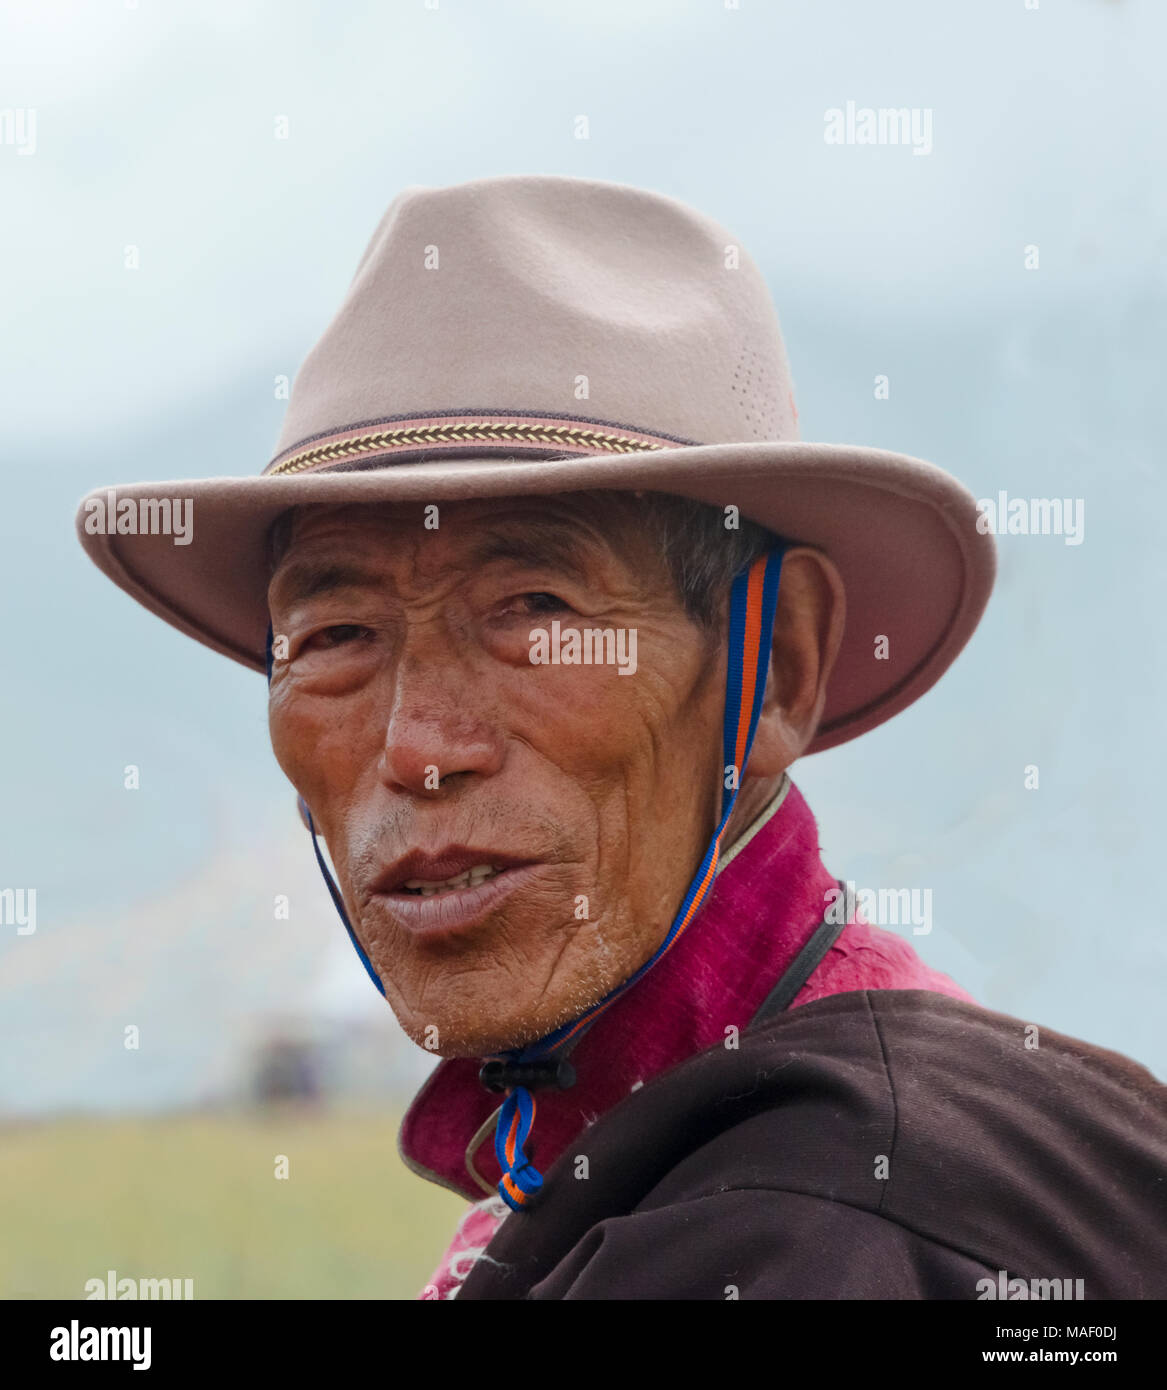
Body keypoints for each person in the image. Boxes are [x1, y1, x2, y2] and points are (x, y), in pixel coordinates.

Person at [76, 174, 1167, 1300]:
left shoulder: (795, 1235)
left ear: (779, 664)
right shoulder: (694, 1156)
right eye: (335, 633)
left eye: (537, 611)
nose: (417, 747)